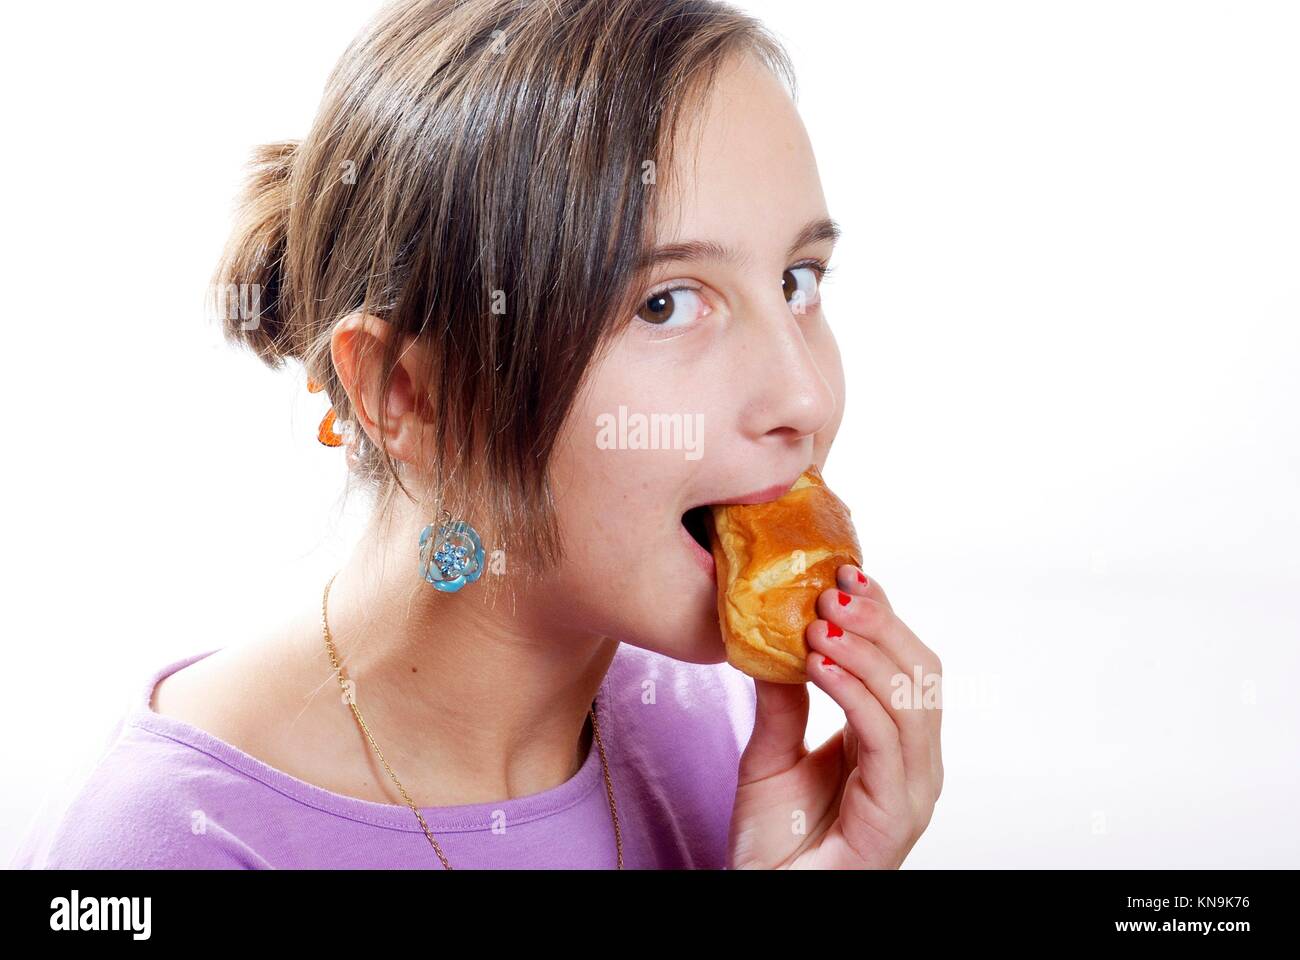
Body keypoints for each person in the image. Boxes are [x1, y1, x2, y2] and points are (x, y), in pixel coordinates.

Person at [10, 0, 941, 870]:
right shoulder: (173, 843)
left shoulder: (729, 736)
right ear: (403, 393)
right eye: (667, 303)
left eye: (799, 281)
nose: (806, 396)